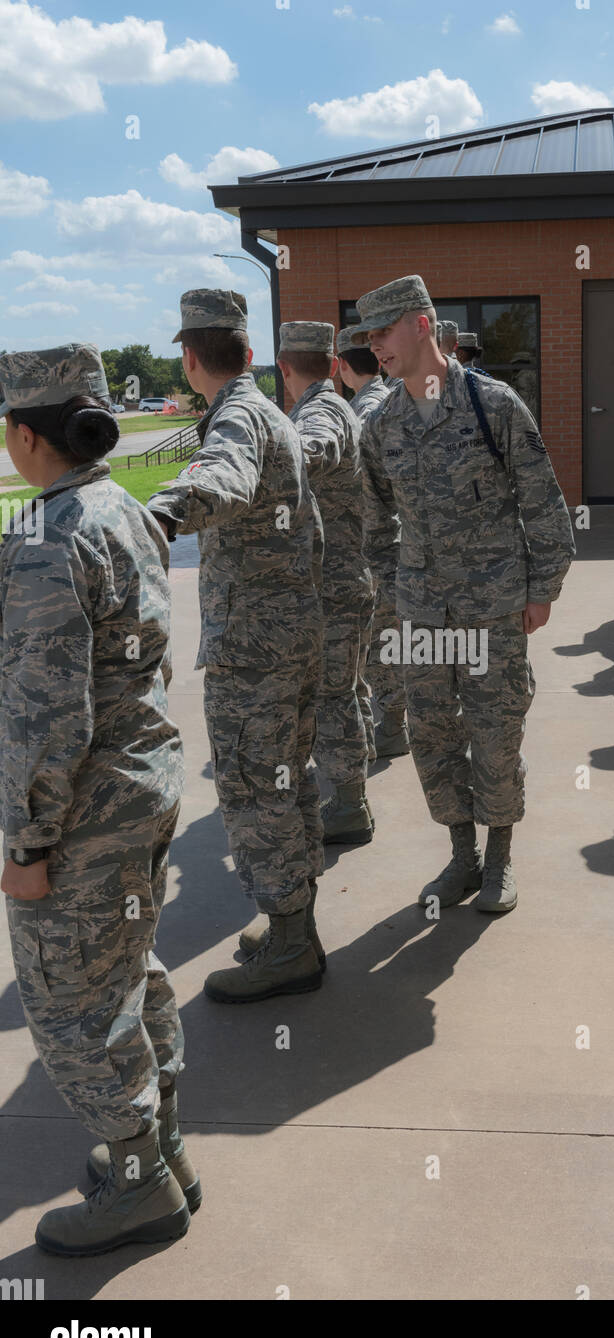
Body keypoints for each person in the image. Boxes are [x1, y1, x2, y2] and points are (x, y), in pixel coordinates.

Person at [0, 343, 193, 1255]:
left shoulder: (48, 536)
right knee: (129, 971)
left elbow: (45, 715)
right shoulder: (122, 509)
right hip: (142, 784)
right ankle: (164, 1150)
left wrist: (26, 844)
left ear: (27, 436)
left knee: (72, 1000)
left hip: (83, 812)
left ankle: (139, 1181)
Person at [354, 275, 575, 912]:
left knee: (495, 729)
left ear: (421, 324)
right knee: (431, 731)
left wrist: (542, 587)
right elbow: (373, 521)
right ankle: (462, 854)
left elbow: (542, 501)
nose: (375, 346)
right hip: (424, 612)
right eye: (369, 337)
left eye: (384, 331)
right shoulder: (383, 423)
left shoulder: (492, 404)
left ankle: (500, 854)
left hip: (493, 606)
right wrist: (398, 588)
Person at [146, 289, 326, 1004]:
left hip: (256, 648)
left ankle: (292, 944)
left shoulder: (237, 420)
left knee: (256, 789)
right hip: (284, 634)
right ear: (248, 352)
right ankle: (294, 926)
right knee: (286, 780)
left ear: (191, 359)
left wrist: (157, 517)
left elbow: (221, 478)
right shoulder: (267, 411)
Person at [279, 322, 377, 842]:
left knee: (332, 697)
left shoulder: (319, 411)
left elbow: (311, 451)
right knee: (347, 690)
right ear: (334, 364)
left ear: (283, 367)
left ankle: (349, 805)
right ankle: (353, 786)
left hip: (332, 587)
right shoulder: (331, 403)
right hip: (343, 580)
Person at [336, 326, 409, 759]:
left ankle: (392, 727)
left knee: (374, 645)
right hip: (397, 539)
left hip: (371, 544)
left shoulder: (362, 414)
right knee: (389, 639)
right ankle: (394, 723)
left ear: (343, 366)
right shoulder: (394, 399)